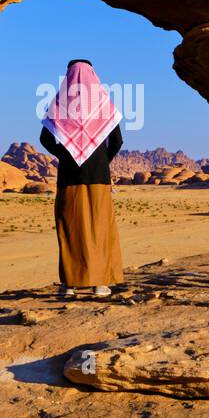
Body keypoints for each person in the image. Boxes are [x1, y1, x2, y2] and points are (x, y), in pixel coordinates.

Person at [39, 59, 124, 298]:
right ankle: (99, 284)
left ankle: (70, 285)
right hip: (98, 176)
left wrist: (65, 155)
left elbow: (45, 139)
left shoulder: (59, 105)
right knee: (99, 227)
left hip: (69, 176)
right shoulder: (103, 104)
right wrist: (102, 161)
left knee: (71, 227)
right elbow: (117, 141)